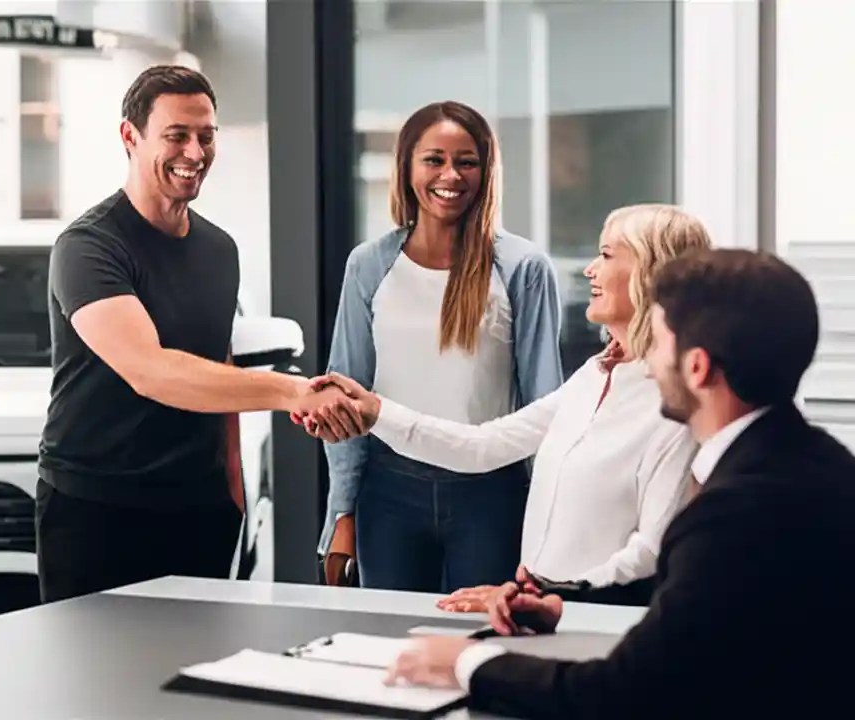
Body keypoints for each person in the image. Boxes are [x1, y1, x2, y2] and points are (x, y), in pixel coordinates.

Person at [383, 249, 855, 718]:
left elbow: (624, 693)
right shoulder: (825, 466)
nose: (648, 361)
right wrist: (565, 605)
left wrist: (469, 661)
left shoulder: (733, 512)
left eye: (660, 341)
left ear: (697, 367)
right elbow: (709, 616)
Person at [39, 65, 351, 604]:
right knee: (98, 680)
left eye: (206, 136)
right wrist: (291, 391)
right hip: (96, 511)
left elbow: (218, 363)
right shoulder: (89, 248)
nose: (195, 152)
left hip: (198, 509)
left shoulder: (218, 249)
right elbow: (151, 371)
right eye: (176, 135)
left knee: (194, 674)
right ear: (130, 137)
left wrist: (233, 492)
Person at [304, 205, 709, 602]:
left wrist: (543, 594)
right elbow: (484, 446)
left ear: (653, 274)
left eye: (605, 256)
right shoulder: (594, 376)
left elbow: (652, 554)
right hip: (545, 617)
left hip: (600, 626)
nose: (590, 270)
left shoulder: (675, 407)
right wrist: (376, 412)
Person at [317, 100, 564, 594]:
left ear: (485, 171)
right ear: (408, 167)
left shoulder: (522, 267)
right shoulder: (369, 265)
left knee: (482, 650)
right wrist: (342, 515)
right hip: (388, 497)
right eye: (434, 159)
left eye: (466, 161)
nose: (450, 174)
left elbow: (545, 407)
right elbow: (346, 396)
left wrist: (547, 529)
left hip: (491, 496)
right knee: (386, 653)